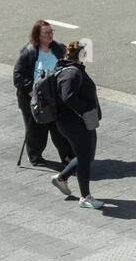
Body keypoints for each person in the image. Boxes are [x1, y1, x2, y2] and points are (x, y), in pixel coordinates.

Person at [49, 40, 105, 210]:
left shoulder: (68, 69)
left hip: (78, 122)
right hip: (75, 123)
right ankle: (85, 197)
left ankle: (62, 178)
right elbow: (68, 97)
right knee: (84, 158)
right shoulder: (72, 73)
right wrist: (85, 111)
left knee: (86, 156)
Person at [13, 21, 73, 168]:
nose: (50, 35)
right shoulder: (29, 52)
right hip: (34, 98)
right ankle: (35, 156)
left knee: (60, 128)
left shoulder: (59, 48)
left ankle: (67, 156)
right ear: (37, 36)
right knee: (36, 129)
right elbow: (18, 76)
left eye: (51, 31)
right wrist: (32, 91)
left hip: (54, 96)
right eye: (46, 33)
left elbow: (68, 66)